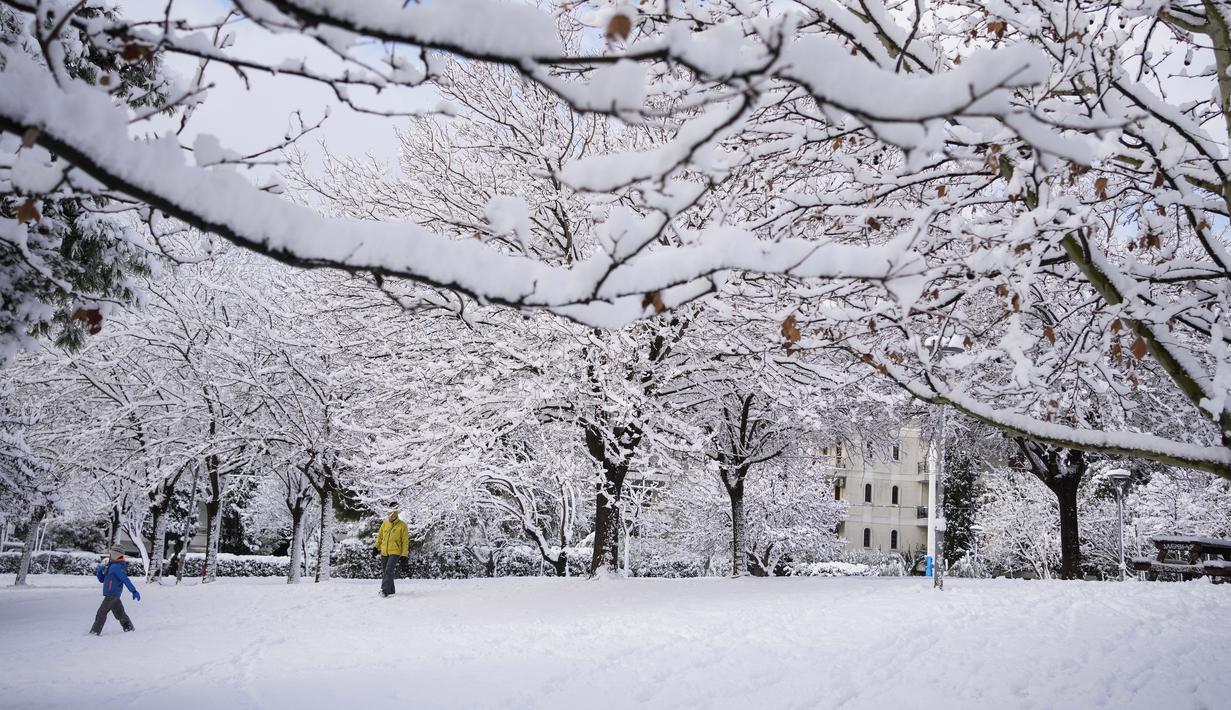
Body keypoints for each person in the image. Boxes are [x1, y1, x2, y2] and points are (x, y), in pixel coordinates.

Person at [89, 551, 140, 635]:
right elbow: (102, 580)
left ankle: (95, 631)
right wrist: (99, 572)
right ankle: (129, 627)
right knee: (120, 613)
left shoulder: (117, 567)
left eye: (111, 554)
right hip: (113, 595)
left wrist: (133, 591)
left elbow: (125, 580)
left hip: (112, 595)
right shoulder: (111, 566)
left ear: (116, 554)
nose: (110, 555)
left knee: (101, 613)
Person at [371, 507, 409, 597]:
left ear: (395, 515)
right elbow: (380, 537)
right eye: (389, 515)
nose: (390, 517)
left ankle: (384, 590)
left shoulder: (402, 525)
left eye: (392, 515)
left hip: (395, 551)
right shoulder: (385, 524)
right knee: (386, 571)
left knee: (388, 570)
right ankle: (391, 590)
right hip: (384, 551)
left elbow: (405, 541)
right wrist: (376, 547)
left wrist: (404, 554)